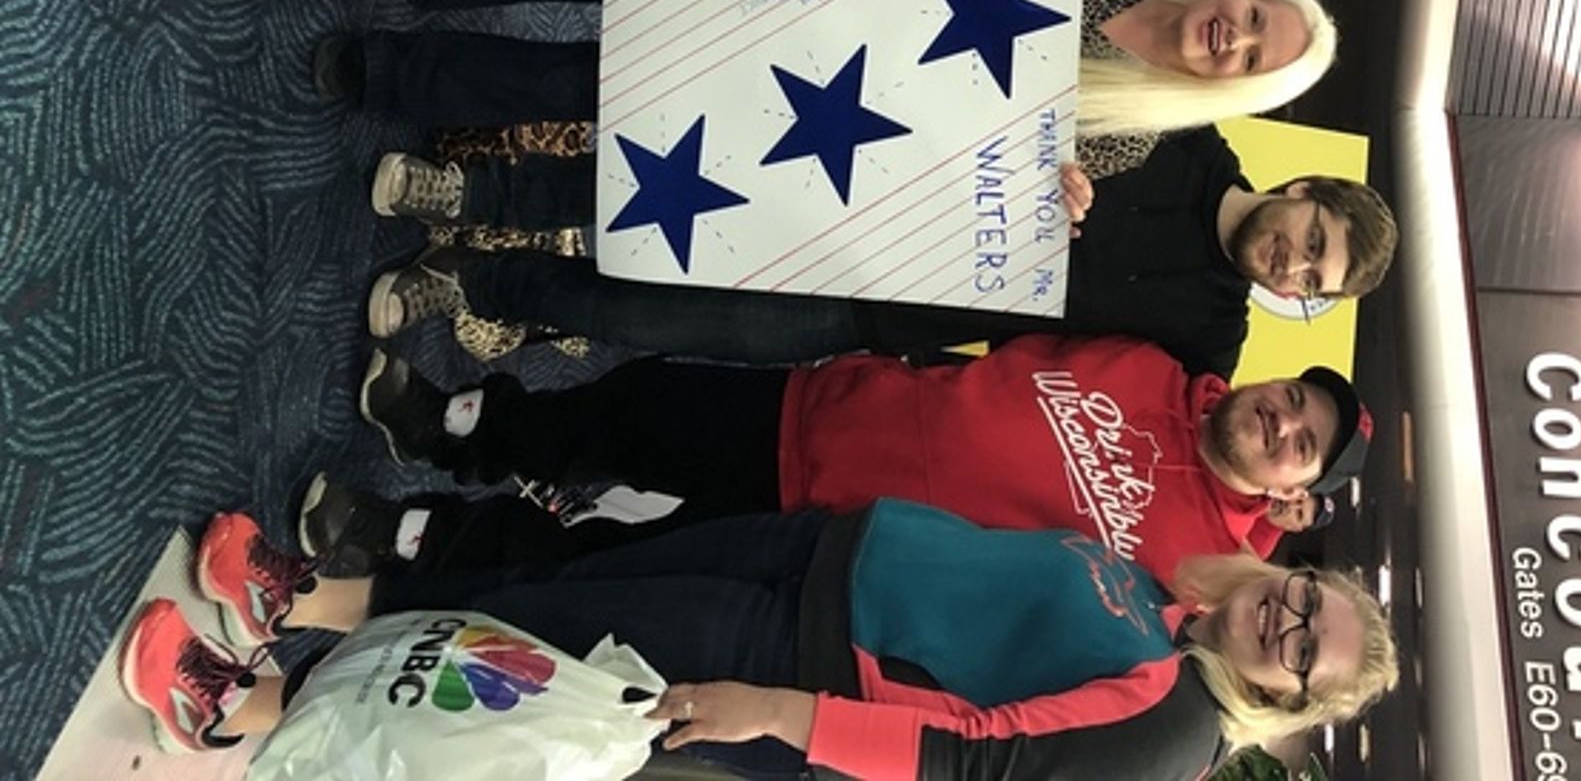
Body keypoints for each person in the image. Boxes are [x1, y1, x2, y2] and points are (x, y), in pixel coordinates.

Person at [124, 500, 1397, 776]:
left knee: (528, 653)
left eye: (1304, 651)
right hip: (817, 563)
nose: (1285, 620)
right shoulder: (1168, 612)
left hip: (795, 665)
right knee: (548, 587)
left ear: (1286, 698)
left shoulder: (1173, 724)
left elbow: (973, 763)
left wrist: (780, 714)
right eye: (1306, 598)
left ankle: (240, 712)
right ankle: (304, 604)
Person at [312, 0, 1336, 181]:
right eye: (1255, 18)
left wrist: (1045, 200)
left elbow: (965, 178)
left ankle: (401, 74)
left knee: (587, 89)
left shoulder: (1123, 138)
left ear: (1233, 89)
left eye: (1253, 60)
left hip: (831, 102)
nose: (1234, 39)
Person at [367, 120, 1395, 377]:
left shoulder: (1210, 343)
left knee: (640, 314)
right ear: (1302, 192)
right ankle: (472, 192)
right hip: (875, 177)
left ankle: (471, 278)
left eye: (1314, 280)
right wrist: (1061, 155)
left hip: (884, 306)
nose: (1292, 265)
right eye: (1312, 240)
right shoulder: (1184, 130)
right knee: (662, 188)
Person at [317, 334, 1373, 582]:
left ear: (1292, 492)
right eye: (1294, 400)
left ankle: (406, 539)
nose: (1282, 423)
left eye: (1303, 446)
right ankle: (455, 431)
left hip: (821, 542)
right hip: (818, 409)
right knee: (629, 405)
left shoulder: (1200, 572)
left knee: (596, 560)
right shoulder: (1156, 362)